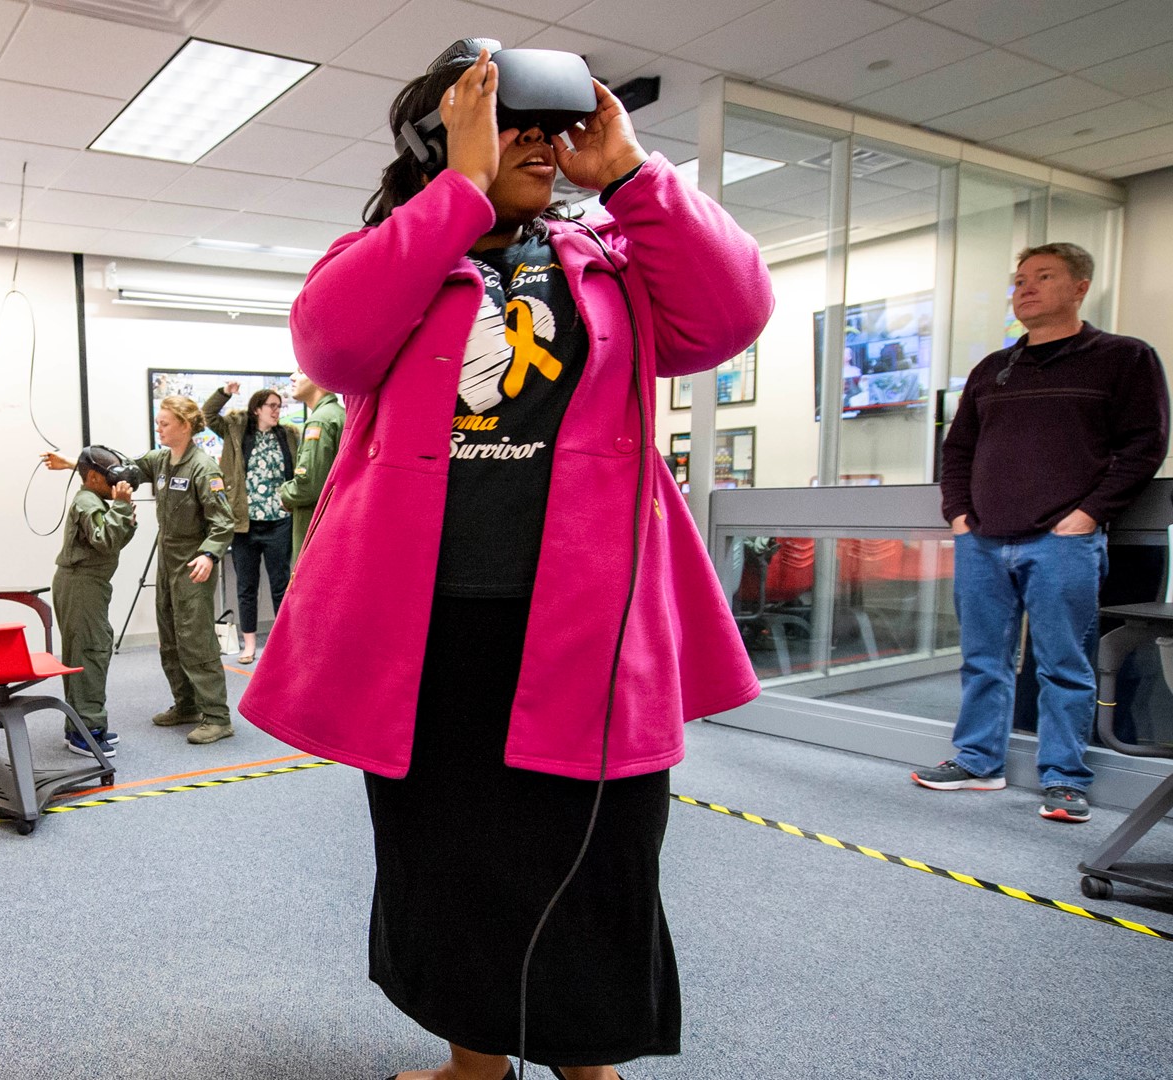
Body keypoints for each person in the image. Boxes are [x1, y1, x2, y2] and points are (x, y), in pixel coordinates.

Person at [237, 40, 772, 1080]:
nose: (543, 143)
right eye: (512, 124)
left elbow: (731, 312)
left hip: (585, 616)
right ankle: (474, 1061)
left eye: (554, 126)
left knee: (604, 856)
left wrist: (626, 173)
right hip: (426, 625)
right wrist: (459, 191)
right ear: (444, 137)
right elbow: (330, 345)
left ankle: (589, 1064)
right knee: (443, 855)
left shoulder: (614, 254)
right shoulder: (401, 249)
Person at [915, 242, 1168, 823]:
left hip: (1063, 542)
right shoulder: (992, 370)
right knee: (983, 659)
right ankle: (978, 761)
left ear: (1080, 287)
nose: (1024, 288)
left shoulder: (1124, 358)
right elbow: (957, 452)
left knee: (1063, 664)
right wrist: (959, 515)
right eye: (1020, 279)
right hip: (982, 540)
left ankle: (1065, 779)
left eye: (1043, 277)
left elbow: (1143, 446)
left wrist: (1087, 515)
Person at [44, 395, 237, 746]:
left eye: (165, 422)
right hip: (167, 558)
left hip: (193, 562)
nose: (158, 428)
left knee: (196, 637)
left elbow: (223, 522)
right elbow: (116, 472)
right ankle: (186, 704)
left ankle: (217, 716)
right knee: (170, 636)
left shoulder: (203, 468)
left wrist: (209, 556)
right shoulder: (160, 460)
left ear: (186, 425)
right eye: (158, 421)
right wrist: (72, 463)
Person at [45, 446, 138, 757]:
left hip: (89, 584)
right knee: (90, 652)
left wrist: (123, 514)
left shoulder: (95, 498)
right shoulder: (87, 502)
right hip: (80, 585)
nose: (117, 483)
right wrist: (122, 509)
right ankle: (86, 731)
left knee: (88, 648)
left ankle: (81, 724)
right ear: (95, 478)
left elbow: (110, 543)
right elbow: (106, 539)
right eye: (111, 477)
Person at [204, 382, 300, 663]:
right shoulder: (237, 431)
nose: (277, 410)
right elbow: (209, 415)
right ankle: (249, 646)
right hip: (244, 523)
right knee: (247, 586)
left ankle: (283, 644)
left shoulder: (289, 435)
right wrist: (223, 392)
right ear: (256, 409)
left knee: (281, 584)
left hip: (279, 521)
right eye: (271, 405)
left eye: (279, 406)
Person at [280, 371, 344, 566]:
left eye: (300, 371)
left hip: (315, 526)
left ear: (321, 379)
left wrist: (285, 493)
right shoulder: (338, 414)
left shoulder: (321, 420)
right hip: (333, 526)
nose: (292, 377)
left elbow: (308, 485)